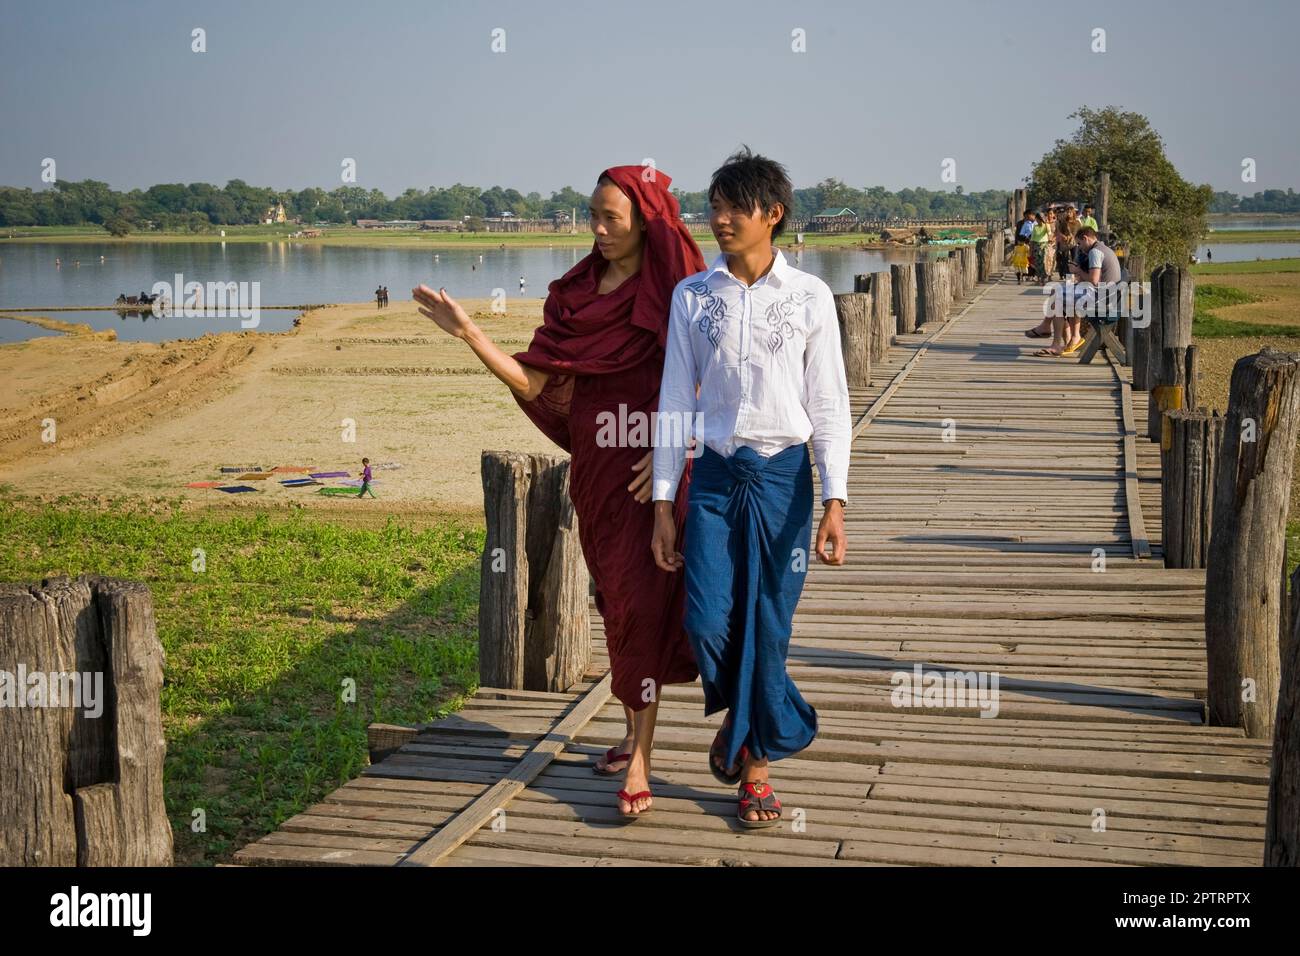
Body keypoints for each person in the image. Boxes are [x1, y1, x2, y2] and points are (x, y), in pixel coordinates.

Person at [413, 166, 705, 819]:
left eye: (612, 219)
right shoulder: (577, 292)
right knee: (613, 601)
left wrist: (678, 454)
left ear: (647, 221)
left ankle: (640, 762)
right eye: (592, 217)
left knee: (639, 607)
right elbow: (538, 382)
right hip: (598, 475)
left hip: (650, 477)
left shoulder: (681, 291)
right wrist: (471, 335)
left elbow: (712, 380)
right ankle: (632, 730)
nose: (597, 231)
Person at [651, 147, 851, 828]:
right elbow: (676, 399)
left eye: (736, 208)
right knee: (706, 619)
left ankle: (756, 767)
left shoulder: (809, 298)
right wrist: (661, 502)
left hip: (785, 483)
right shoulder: (693, 296)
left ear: (774, 214)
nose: (721, 219)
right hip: (712, 478)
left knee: (769, 623)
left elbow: (829, 404)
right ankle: (748, 712)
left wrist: (835, 501)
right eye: (716, 206)